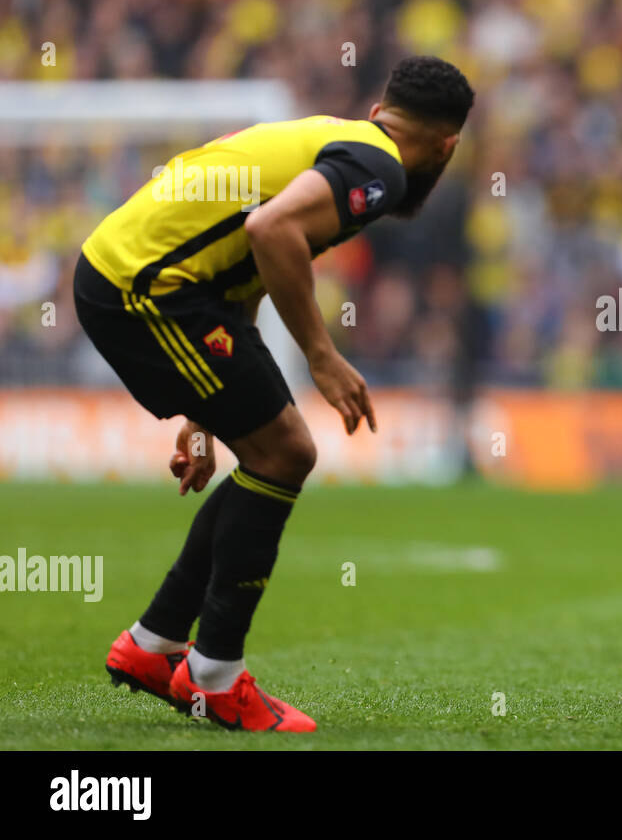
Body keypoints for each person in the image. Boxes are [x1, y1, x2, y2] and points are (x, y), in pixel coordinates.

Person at [76, 56, 473, 730]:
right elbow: (271, 233)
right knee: (286, 452)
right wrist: (322, 356)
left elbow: (245, 265)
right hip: (148, 289)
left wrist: (203, 416)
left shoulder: (333, 138)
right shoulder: (379, 167)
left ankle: (155, 645)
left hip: (156, 281)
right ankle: (214, 676)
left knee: (274, 450)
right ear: (448, 148)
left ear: (382, 110)